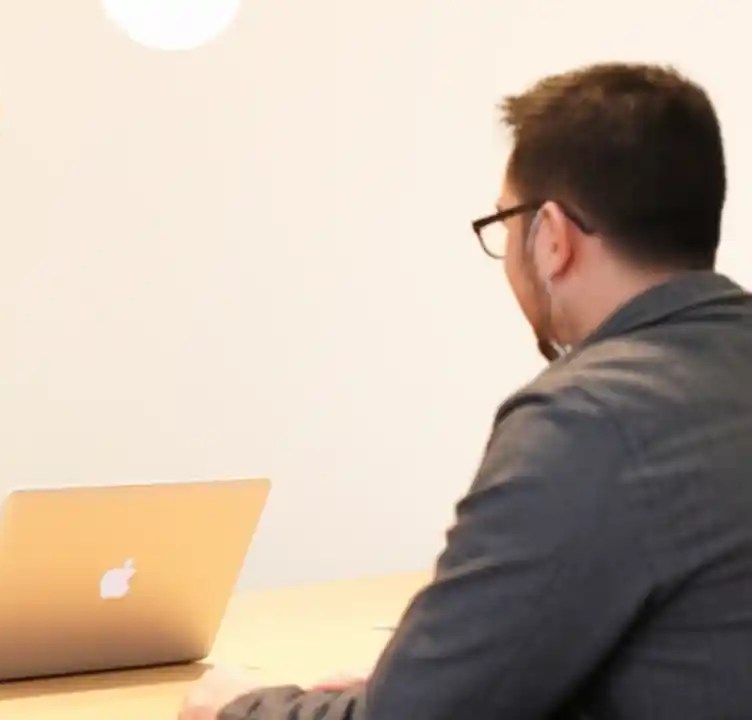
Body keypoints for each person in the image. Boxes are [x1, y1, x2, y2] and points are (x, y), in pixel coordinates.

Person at [181, 62, 752, 719]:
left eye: (506, 224)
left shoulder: (587, 419)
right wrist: (450, 672)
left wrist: (240, 707)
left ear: (551, 239)